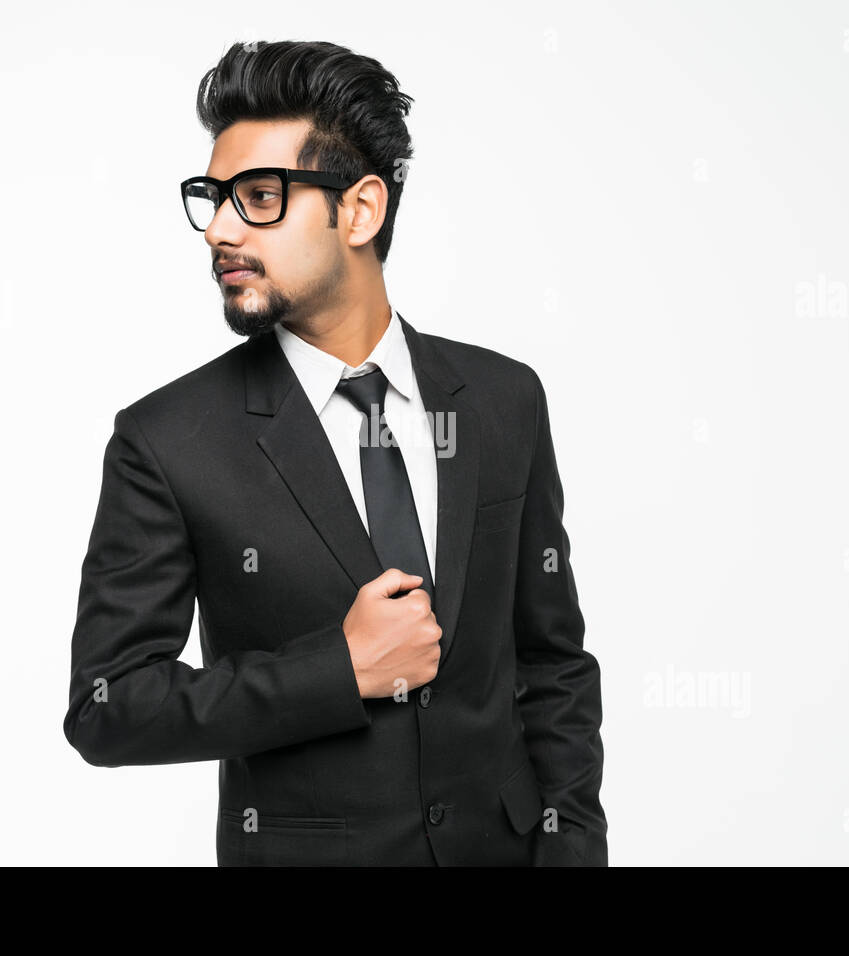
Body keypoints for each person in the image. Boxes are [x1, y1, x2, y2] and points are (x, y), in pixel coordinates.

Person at [63, 39, 606, 866]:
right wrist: (338, 670)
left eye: (259, 197)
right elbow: (109, 706)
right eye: (213, 198)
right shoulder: (167, 441)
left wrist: (573, 853)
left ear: (359, 210)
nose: (218, 228)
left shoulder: (503, 401)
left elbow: (553, 664)